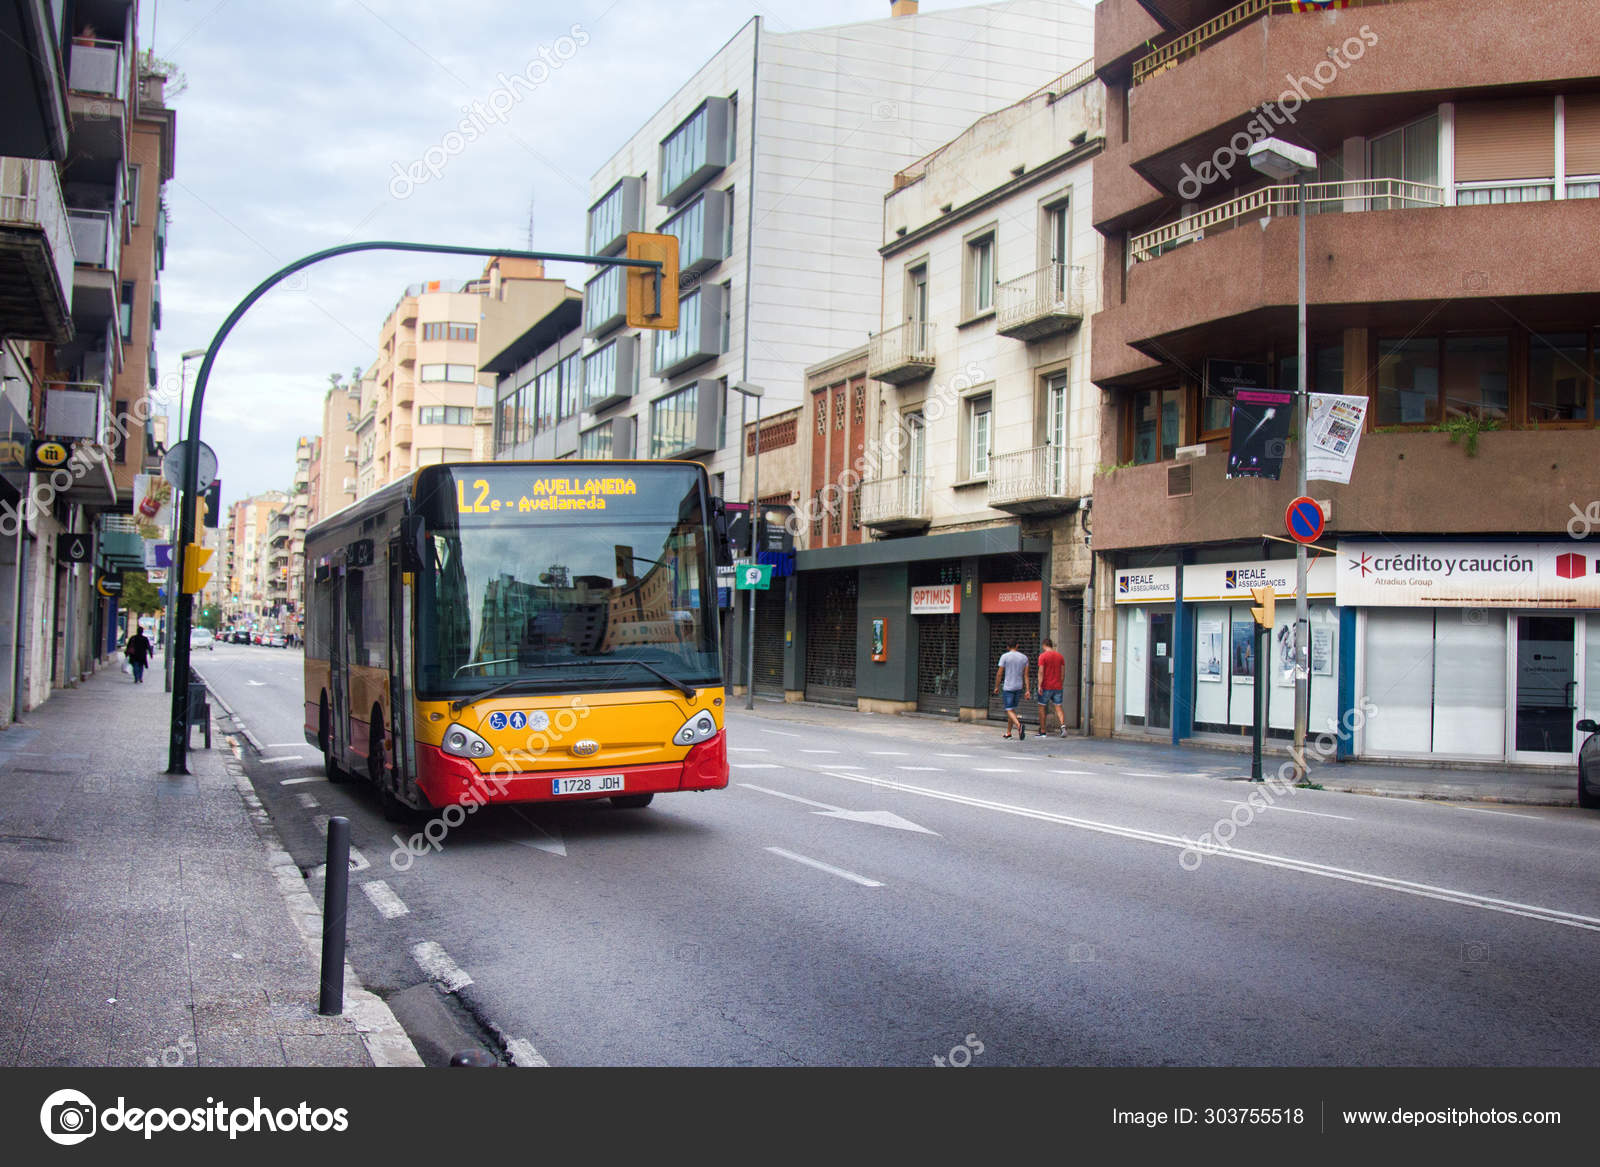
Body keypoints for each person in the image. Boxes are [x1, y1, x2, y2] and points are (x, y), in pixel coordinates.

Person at [992, 640, 1030, 741]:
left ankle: (1019, 725)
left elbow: (999, 673)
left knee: (1008, 709)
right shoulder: (1024, 657)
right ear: (1017, 646)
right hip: (1019, 687)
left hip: (1008, 687)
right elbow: (1026, 675)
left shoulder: (1005, 656)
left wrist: (996, 686)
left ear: (1008, 647)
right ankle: (1008, 732)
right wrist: (1028, 690)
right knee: (1012, 709)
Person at [1036, 638, 1067, 738]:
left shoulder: (1042, 656)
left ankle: (1043, 731)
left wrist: (1039, 685)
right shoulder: (1060, 656)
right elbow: (1063, 673)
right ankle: (1063, 727)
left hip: (1046, 686)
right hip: (1057, 686)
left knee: (1042, 707)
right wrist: (1060, 683)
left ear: (1044, 645)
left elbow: (1041, 672)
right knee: (1058, 707)